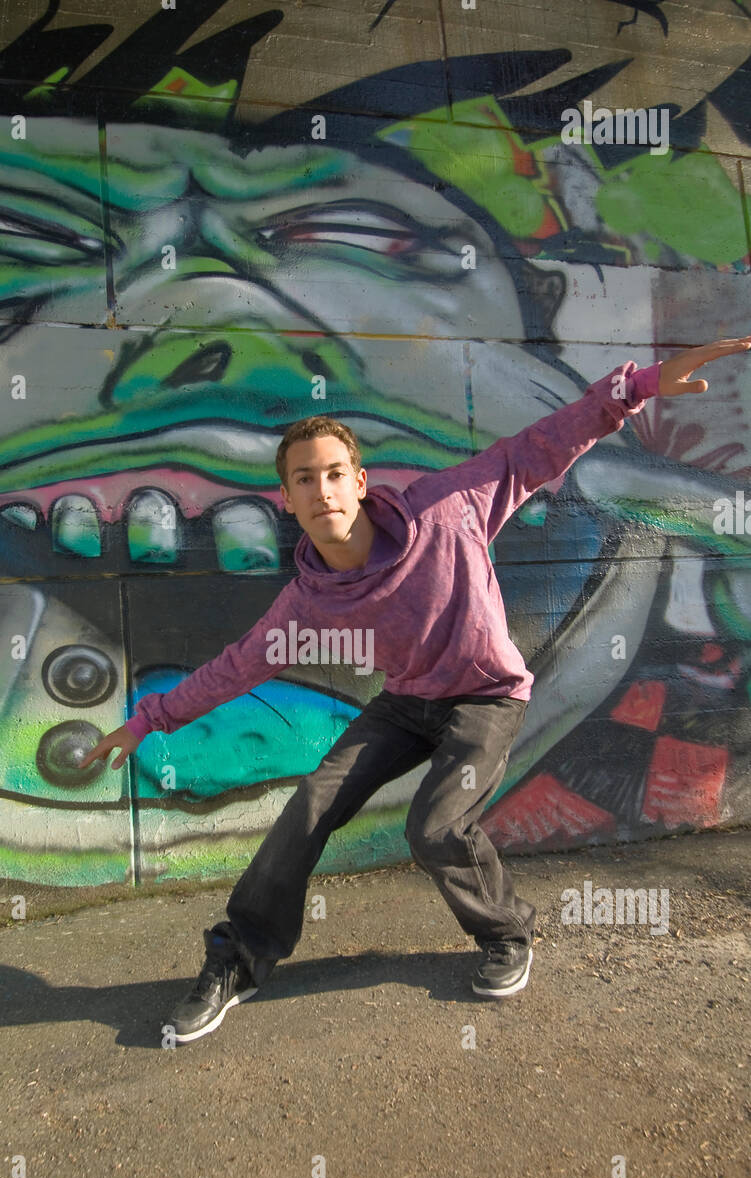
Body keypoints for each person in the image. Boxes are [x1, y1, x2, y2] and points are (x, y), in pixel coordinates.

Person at [80, 337, 751, 1043]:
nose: (322, 490)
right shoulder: (310, 600)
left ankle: (506, 932)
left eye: (334, 474)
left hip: (487, 698)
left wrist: (637, 385)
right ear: (286, 499)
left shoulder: (448, 508)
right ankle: (238, 958)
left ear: (359, 482)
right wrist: (145, 721)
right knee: (309, 806)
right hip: (407, 702)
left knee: (433, 828)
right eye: (304, 480)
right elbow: (236, 667)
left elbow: (545, 444)